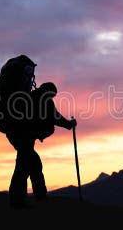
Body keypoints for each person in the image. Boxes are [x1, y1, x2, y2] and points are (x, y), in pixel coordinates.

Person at [6, 81, 75, 209]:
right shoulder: (41, 100)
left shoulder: (31, 97)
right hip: (23, 138)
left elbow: (53, 117)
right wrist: (69, 125)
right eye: (52, 95)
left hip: (20, 137)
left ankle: (31, 197)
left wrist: (67, 125)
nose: (51, 98)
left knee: (29, 165)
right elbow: (55, 117)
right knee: (27, 167)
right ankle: (21, 200)